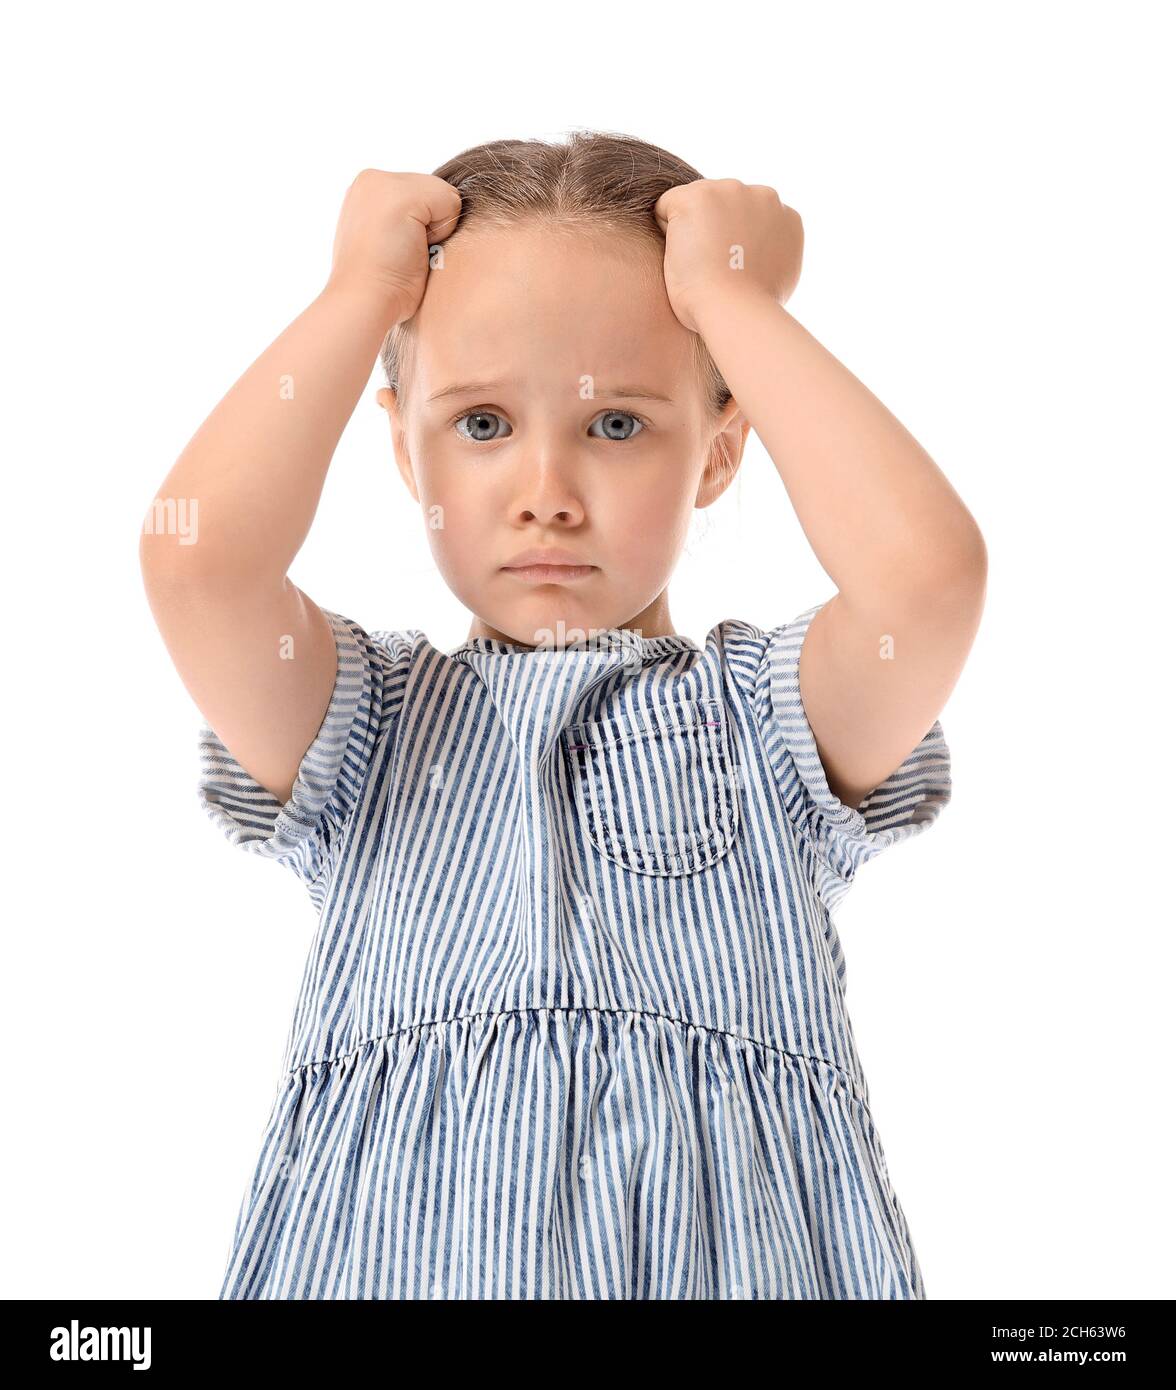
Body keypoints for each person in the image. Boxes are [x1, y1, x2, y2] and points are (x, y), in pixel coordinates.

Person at [139, 131, 984, 1299]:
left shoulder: (767, 728)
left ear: (721, 453)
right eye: (481, 424)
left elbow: (926, 580)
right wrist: (359, 298)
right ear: (403, 445)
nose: (546, 495)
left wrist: (736, 307)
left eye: (619, 424)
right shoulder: (370, 726)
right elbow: (198, 560)